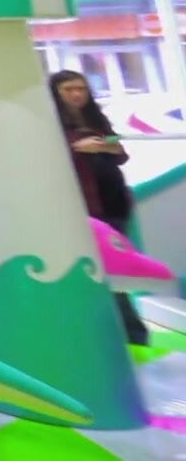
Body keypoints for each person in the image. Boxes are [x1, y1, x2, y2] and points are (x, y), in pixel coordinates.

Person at [51, 69, 150, 345]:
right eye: (69, 89)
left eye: (81, 88)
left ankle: (130, 332)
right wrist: (77, 147)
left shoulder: (96, 118)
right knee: (99, 271)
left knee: (117, 269)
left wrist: (103, 147)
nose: (77, 94)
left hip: (113, 204)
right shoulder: (52, 124)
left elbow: (120, 153)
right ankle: (127, 331)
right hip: (83, 209)